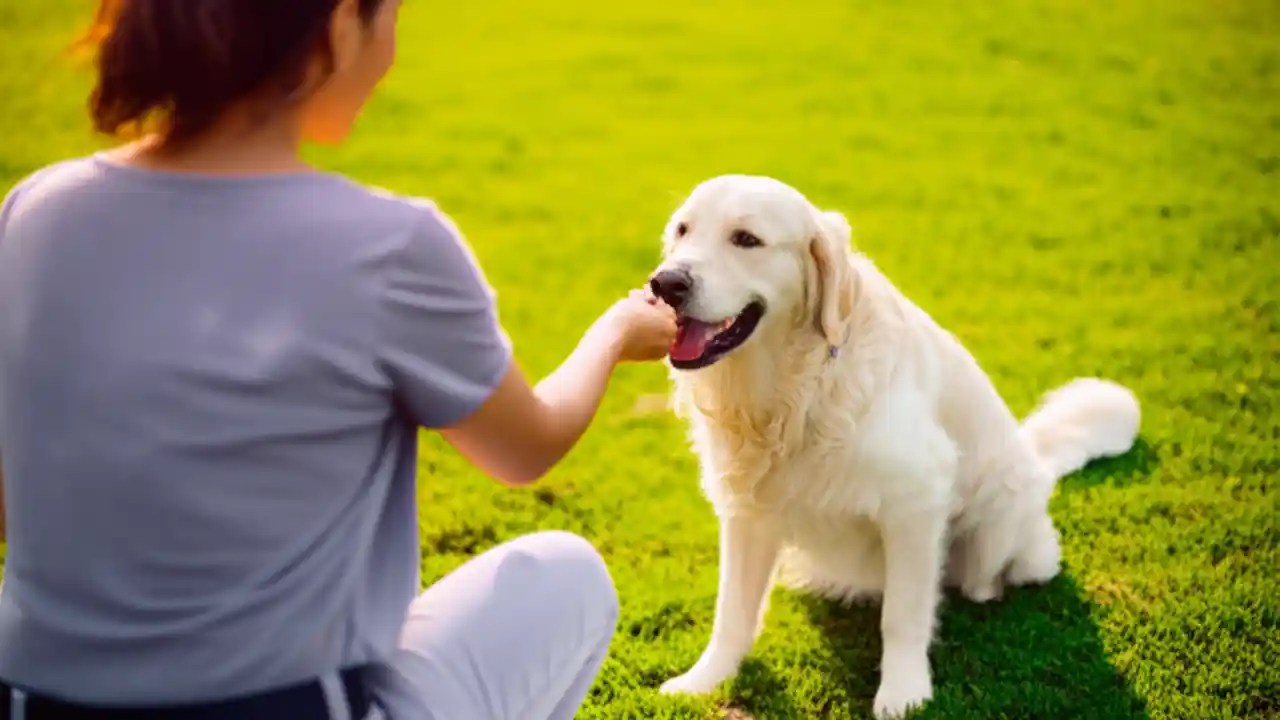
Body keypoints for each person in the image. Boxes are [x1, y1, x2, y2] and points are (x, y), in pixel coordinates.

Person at [0, 1, 678, 718]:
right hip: (290, 706)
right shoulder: (389, 245)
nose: (390, 51)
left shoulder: (36, 211)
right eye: (390, 15)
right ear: (336, 27)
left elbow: (14, 505)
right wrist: (611, 335)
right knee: (563, 577)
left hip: (39, 701)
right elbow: (525, 449)